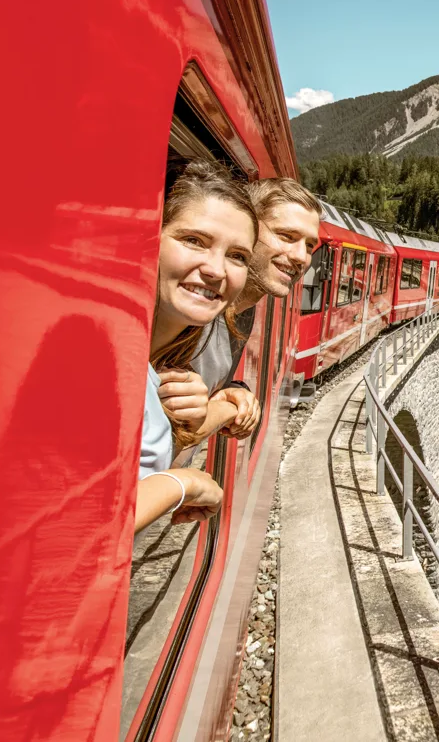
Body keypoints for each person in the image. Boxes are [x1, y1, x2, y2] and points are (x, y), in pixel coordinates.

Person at [134, 170, 259, 533]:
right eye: (193, 240)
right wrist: (183, 484)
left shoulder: (163, 366)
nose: (216, 269)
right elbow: (81, 524)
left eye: (237, 256)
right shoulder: (96, 355)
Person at [186, 176, 322, 441]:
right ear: (247, 231)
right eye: (286, 236)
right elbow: (168, 430)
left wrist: (231, 390)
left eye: (309, 246)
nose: (300, 257)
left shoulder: (244, 310)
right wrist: (224, 410)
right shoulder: (195, 310)